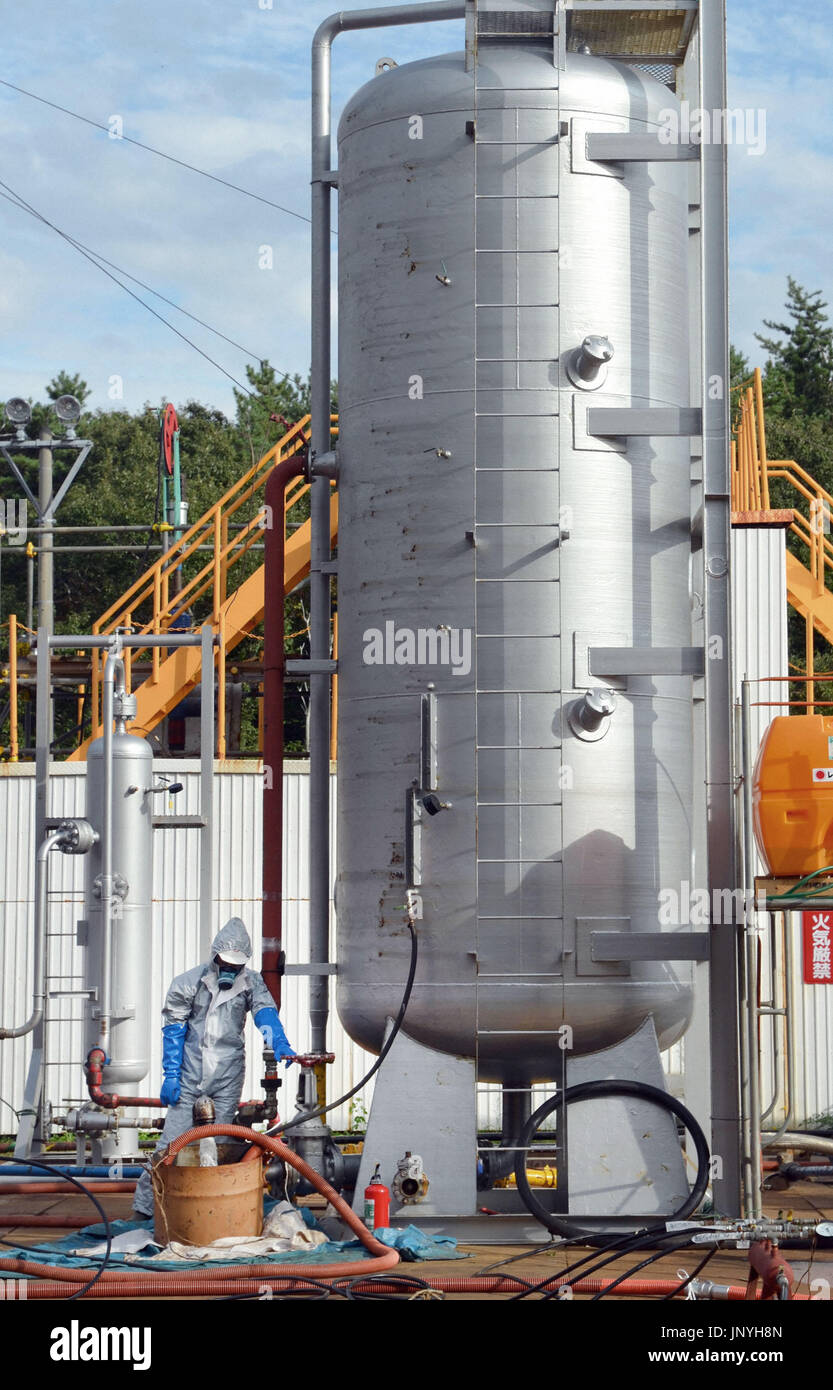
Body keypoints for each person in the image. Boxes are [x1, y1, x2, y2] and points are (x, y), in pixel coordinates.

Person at [132, 916, 295, 1219]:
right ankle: (144, 1211)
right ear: (215, 957)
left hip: (227, 1075)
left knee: (217, 1144)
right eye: (226, 964)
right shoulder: (188, 982)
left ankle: (208, 1211)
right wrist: (170, 1075)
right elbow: (173, 1032)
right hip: (190, 1073)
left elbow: (265, 1014)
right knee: (170, 1145)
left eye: (236, 966)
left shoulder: (251, 982)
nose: (230, 970)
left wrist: (279, 1040)